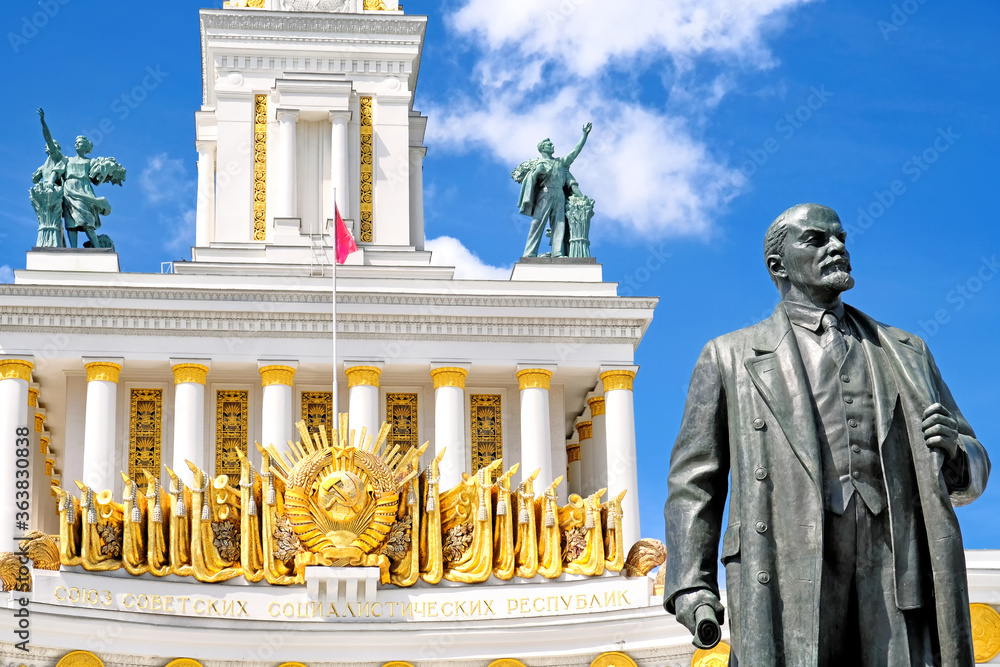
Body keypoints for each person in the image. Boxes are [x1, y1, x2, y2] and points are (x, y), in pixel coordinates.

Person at [663, 203, 990, 666]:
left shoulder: (907, 351)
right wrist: (692, 584)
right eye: (816, 239)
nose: (837, 247)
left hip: (896, 566)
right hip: (784, 563)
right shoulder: (729, 356)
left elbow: (972, 462)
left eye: (840, 238)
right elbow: (695, 480)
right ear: (778, 266)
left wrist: (957, 452)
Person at [517, 123, 591, 258]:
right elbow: (531, 181)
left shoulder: (560, 162)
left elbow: (575, 152)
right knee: (537, 222)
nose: (552, 146)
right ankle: (529, 253)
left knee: (559, 224)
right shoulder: (540, 164)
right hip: (545, 193)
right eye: (549, 145)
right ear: (542, 148)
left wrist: (584, 135)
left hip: (559, 194)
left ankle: (557, 253)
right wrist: (535, 174)